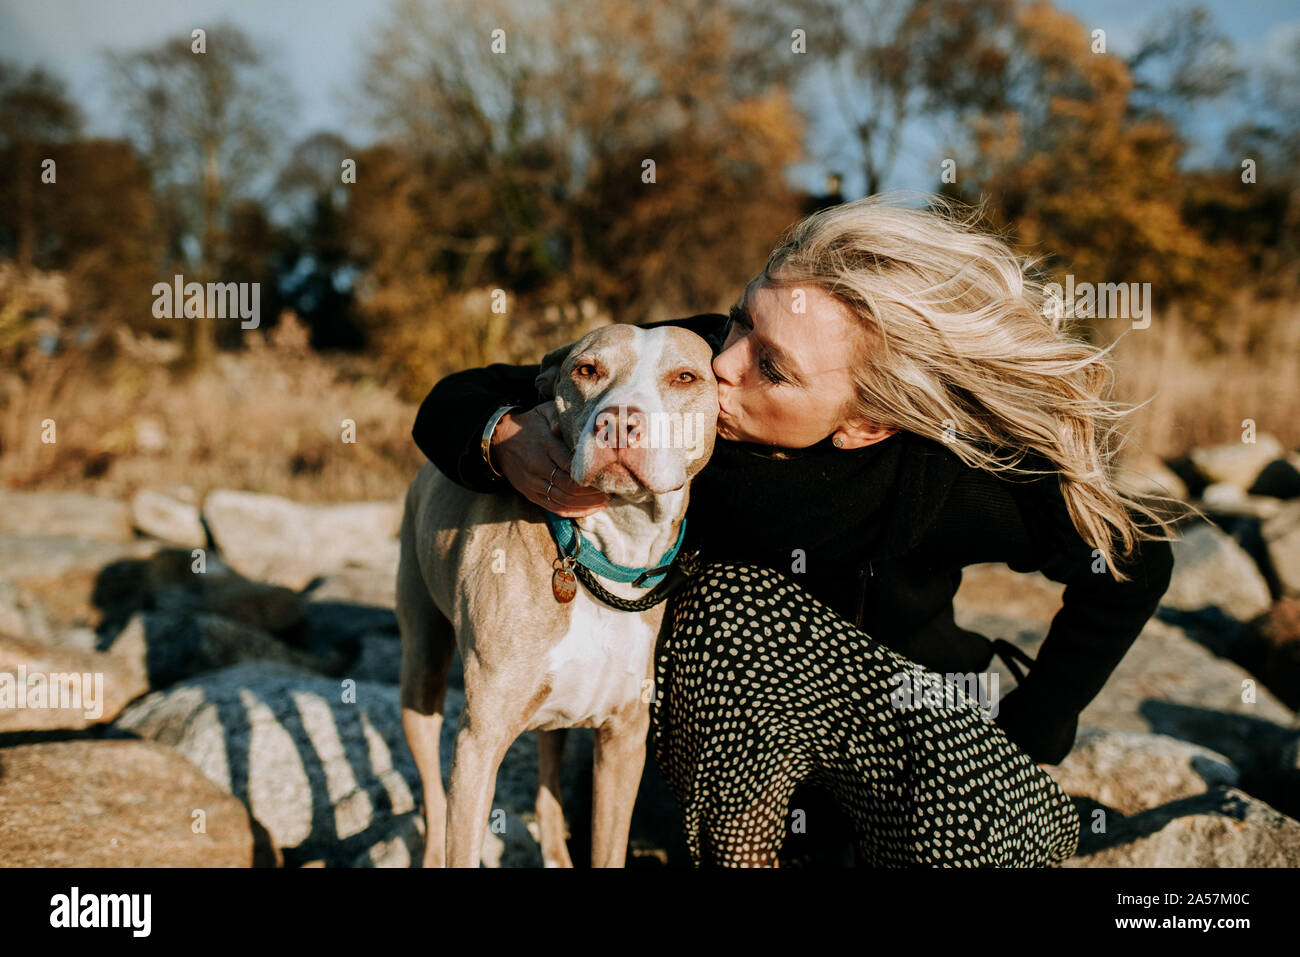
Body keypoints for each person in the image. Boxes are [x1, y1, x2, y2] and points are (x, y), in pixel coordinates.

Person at [409, 192, 1183, 867]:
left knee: (987, 837)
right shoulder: (687, 379)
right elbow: (471, 393)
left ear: (868, 421)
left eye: (773, 368)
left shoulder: (951, 478)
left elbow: (1133, 560)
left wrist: (1038, 721)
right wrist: (502, 440)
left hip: (909, 722)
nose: (725, 364)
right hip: (734, 745)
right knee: (726, 605)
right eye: (743, 316)